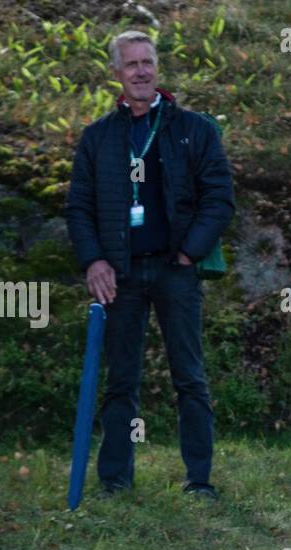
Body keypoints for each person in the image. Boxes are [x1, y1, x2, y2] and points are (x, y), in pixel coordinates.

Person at [65, 30, 235, 500]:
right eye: (131, 64)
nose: (141, 71)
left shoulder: (191, 128)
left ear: (157, 68)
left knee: (190, 376)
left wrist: (189, 252)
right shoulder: (98, 137)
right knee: (120, 380)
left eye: (148, 62)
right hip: (119, 273)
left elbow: (219, 197)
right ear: (116, 74)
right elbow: (78, 208)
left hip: (175, 269)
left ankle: (199, 480)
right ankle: (115, 481)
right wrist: (94, 260)